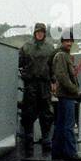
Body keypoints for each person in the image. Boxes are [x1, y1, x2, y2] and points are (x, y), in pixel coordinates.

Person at [18, 22, 56, 150]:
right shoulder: (26, 47)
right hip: (30, 84)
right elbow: (19, 63)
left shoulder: (50, 48)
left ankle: (46, 138)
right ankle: (28, 137)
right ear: (34, 32)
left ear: (45, 33)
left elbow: (53, 67)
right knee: (28, 112)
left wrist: (53, 81)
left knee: (46, 113)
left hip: (45, 84)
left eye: (42, 32)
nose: (39, 34)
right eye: (37, 32)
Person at [50, 31, 81, 161]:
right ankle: (71, 153)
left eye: (71, 41)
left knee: (60, 125)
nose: (69, 43)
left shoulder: (66, 56)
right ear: (62, 42)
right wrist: (75, 90)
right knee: (68, 125)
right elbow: (62, 77)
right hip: (67, 96)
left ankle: (58, 152)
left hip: (65, 96)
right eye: (66, 41)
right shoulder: (61, 56)